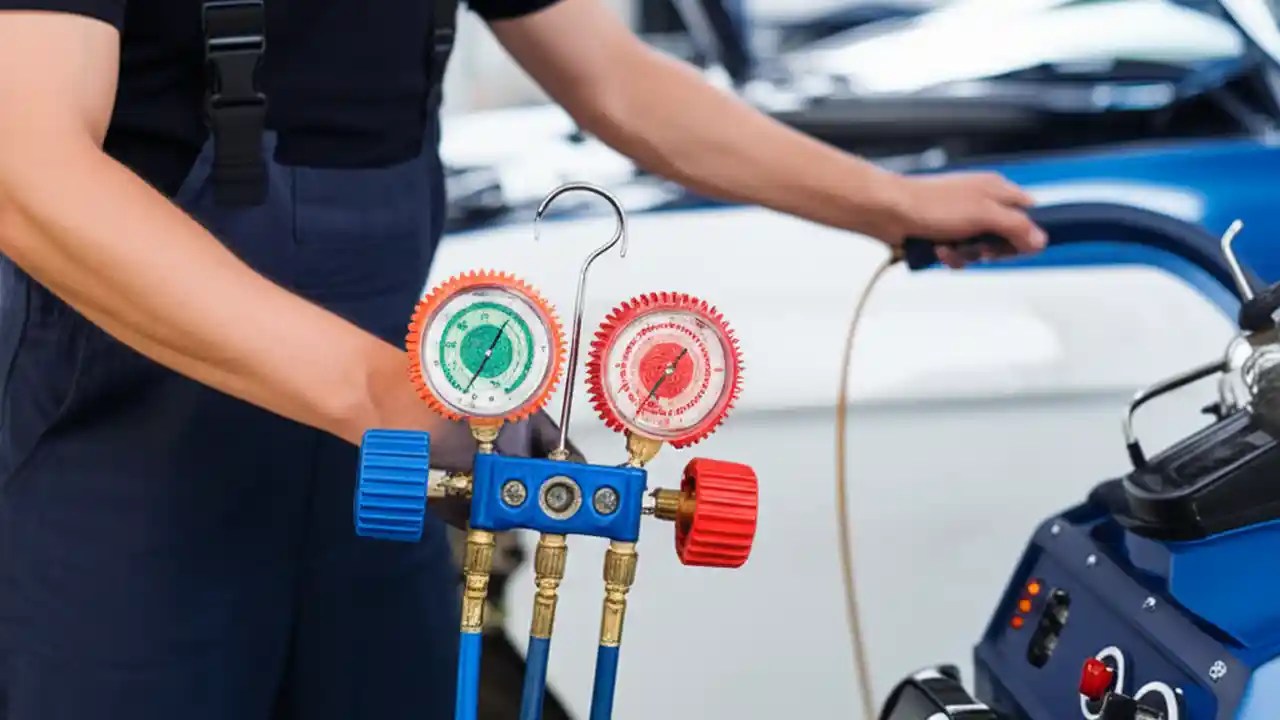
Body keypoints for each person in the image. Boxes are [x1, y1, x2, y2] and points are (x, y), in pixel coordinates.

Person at [0, 0, 1046, 717]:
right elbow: (26, 164)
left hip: (377, 480)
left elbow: (615, 81)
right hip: (130, 464)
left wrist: (887, 202)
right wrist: (384, 391)